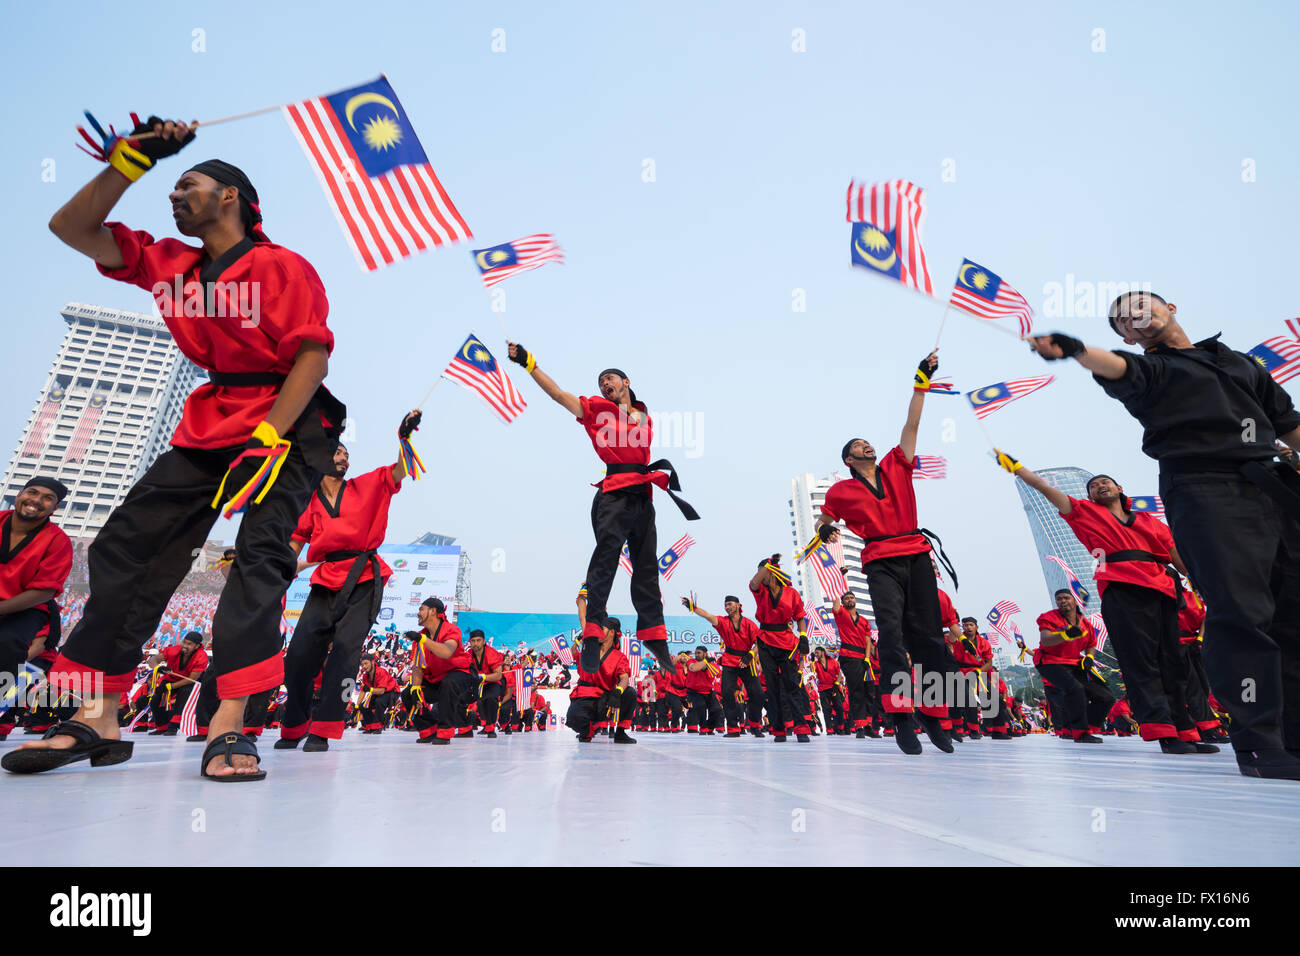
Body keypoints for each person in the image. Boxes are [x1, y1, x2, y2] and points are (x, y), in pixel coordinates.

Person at [8, 117, 344, 781]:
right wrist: (129, 163)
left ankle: (230, 727)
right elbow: (71, 229)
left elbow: (312, 356)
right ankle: (96, 716)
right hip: (212, 417)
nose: (173, 193)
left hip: (290, 418)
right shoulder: (169, 263)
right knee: (124, 546)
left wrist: (271, 437)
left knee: (257, 559)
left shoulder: (281, 265)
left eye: (187, 183)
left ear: (231, 197)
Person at [1026, 292, 1299, 778]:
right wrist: (1077, 350)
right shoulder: (1152, 372)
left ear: (1170, 306)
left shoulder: (1237, 363)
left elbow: (1287, 423)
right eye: (1122, 321)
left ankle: (1294, 734)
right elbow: (1117, 369)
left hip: (1272, 486)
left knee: (1291, 610)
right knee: (1242, 613)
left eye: (1139, 305)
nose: (1133, 317)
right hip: (1204, 488)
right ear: (1127, 338)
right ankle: (1260, 741)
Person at [1000, 457, 1214, 755]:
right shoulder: (1084, 513)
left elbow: (1173, 552)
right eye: (1094, 486)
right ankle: (1164, 731)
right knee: (1141, 661)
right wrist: (1018, 467)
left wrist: (1199, 583)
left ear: (1119, 488)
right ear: (1089, 496)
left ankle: (1186, 729)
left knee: (1173, 661)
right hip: (1122, 588)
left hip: (1163, 588)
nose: (1100, 486)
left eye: (1105, 482)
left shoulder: (1149, 522)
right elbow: (1042, 487)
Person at [505, 341, 696, 675]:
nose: (604, 384)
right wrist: (528, 362)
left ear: (627, 381)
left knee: (647, 567)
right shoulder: (595, 408)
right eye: (600, 382)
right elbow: (558, 394)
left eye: (610, 379)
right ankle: (593, 632)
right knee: (606, 560)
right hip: (613, 494)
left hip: (643, 494)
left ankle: (654, 634)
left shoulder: (643, 412)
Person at [817, 351, 958, 755]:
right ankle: (901, 721)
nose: (867, 445)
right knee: (892, 639)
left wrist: (921, 382)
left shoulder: (898, 463)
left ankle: (936, 717)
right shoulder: (840, 490)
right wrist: (825, 530)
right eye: (858, 445)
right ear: (848, 459)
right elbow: (823, 521)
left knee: (929, 640)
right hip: (879, 561)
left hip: (915, 553)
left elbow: (912, 422)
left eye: (868, 442)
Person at [278, 420, 419, 753]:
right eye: (336, 451)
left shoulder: (368, 485)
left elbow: (404, 467)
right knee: (298, 654)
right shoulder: (310, 504)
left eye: (345, 452)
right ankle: (295, 723)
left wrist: (404, 437)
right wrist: (277, 568)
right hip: (325, 579)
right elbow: (294, 549)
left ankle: (325, 727)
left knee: (344, 651)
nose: (343, 457)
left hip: (364, 577)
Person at [0, 479, 74, 742]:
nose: (36, 500)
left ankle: (1, 720)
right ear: (19, 495)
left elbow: (45, 590)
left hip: (26, 607)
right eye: (32, 492)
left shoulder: (58, 541)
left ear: (55, 507)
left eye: (47, 498)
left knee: (8, 646)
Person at [1030, 591, 1113, 744]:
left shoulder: (1085, 623)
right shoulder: (1049, 617)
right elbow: (1046, 640)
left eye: (1066, 598)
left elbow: (1091, 644)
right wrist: (1065, 635)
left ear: (1074, 601)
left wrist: (1089, 657)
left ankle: (1081, 727)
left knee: (1105, 697)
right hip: (1050, 662)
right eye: (1059, 599)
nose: (1062, 601)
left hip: (1074, 663)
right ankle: (1080, 732)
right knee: (1075, 690)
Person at [682, 594, 765, 738]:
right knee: (727, 694)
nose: (727, 607)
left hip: (747, 660)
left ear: (739, 606)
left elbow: (758, 643)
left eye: (730, 604)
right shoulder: (722, 622)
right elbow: (707, 615)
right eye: (726, 605)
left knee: (757, 694)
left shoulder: (749, 624)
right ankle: (732, 728)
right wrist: (693, 607)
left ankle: (755, 724)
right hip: (729, 660)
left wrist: (751, 655)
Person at [748, 555, 812, 743]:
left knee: (792, 685)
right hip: (766, 640)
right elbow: (753, 583)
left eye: (765, 571)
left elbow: (799, 616)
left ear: (774, 572)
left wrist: (803, 636)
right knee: (773, 687)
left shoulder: (791, 593)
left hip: (787, 641)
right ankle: (778, 730)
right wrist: (765, 566)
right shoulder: (760, 591)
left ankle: (801, 727)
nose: (762, 575)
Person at [403, 599, 474, 745]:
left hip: (459, 674)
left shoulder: (451, 630)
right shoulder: (421, 637)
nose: (418, 613)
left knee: (448, 683)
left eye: (422, 609)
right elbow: (417, 665)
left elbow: (447, 652)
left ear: (433, 611)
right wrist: (416, 686)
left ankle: (445, 731)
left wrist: (422, 639)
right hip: (434, 679)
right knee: (408, 694)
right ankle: (429, 729)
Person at [566, 617, 637, 744]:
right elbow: (573, 652)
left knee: (630, 692)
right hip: (585, 695)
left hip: (606, 699)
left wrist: (618, 692)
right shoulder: (588, 649)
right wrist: (578, 640)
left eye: (601, 629)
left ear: (611, 632)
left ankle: (620, 732)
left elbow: (624, 678)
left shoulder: (619, 657)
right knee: (572, 719)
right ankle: (589, 730)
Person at [143, 631, 208, 734]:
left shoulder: (201, 656)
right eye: (184, 642)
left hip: (188, 683)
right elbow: (153, 660)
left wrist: (171, 686)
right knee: (155, 699)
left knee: (183, 695)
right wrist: (158, 667)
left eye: (189, 644)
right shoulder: (174, 650)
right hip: (170, 680)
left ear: (197, 646)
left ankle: (173, 727)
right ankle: (162, 727)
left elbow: (192, 679)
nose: (185, 646)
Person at [468, 630, 505, 737]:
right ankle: (464, 729)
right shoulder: (468, 654)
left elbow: (498, 675)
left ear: (484, 641)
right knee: (460, 696)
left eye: (478, 640)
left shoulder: (491, 653)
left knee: (491, 698)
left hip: (491, 682)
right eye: (473, 641)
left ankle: (490, 727)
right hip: (475, 684)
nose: (475, 643)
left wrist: (484, 677)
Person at [357, 654, 400, 734]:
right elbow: (363, 691)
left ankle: (378, 726)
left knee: (379, 701)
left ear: (372, 662)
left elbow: (381, 691)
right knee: (363, 706)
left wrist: (369, 689)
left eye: (366, 663)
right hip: (378, 692)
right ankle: (370, 726)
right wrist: (357, 706)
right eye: (362, 664)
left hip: (392, 691)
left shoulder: (381, 671)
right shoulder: (365, 676)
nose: (364, 666)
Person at [683, 646, 722, 735]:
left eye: (699, 653)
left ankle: (709, 727)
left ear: (705, 654)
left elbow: (718, 674)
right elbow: (694, 668)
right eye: (696, 653)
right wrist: (705, 662)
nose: (696, 655)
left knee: (717, 710)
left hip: (708, 691)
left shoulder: (711, 665)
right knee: (701, 707)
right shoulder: (691, 661)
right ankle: (703, 727)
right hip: (694, 691)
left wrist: (708, 664)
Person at [812, 646, 846, 735]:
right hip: (823, 688)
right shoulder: (815, 664)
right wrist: (812, 661)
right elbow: (812, 672)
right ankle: (829, 730)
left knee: (839, 708)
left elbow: (839, 674)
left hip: (834, 687)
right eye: (815, 653)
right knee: (826, 709)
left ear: (823, 652)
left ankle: (841, 728)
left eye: (817, 653)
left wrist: (837, 684)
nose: (816, 655)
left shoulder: (833, 662)